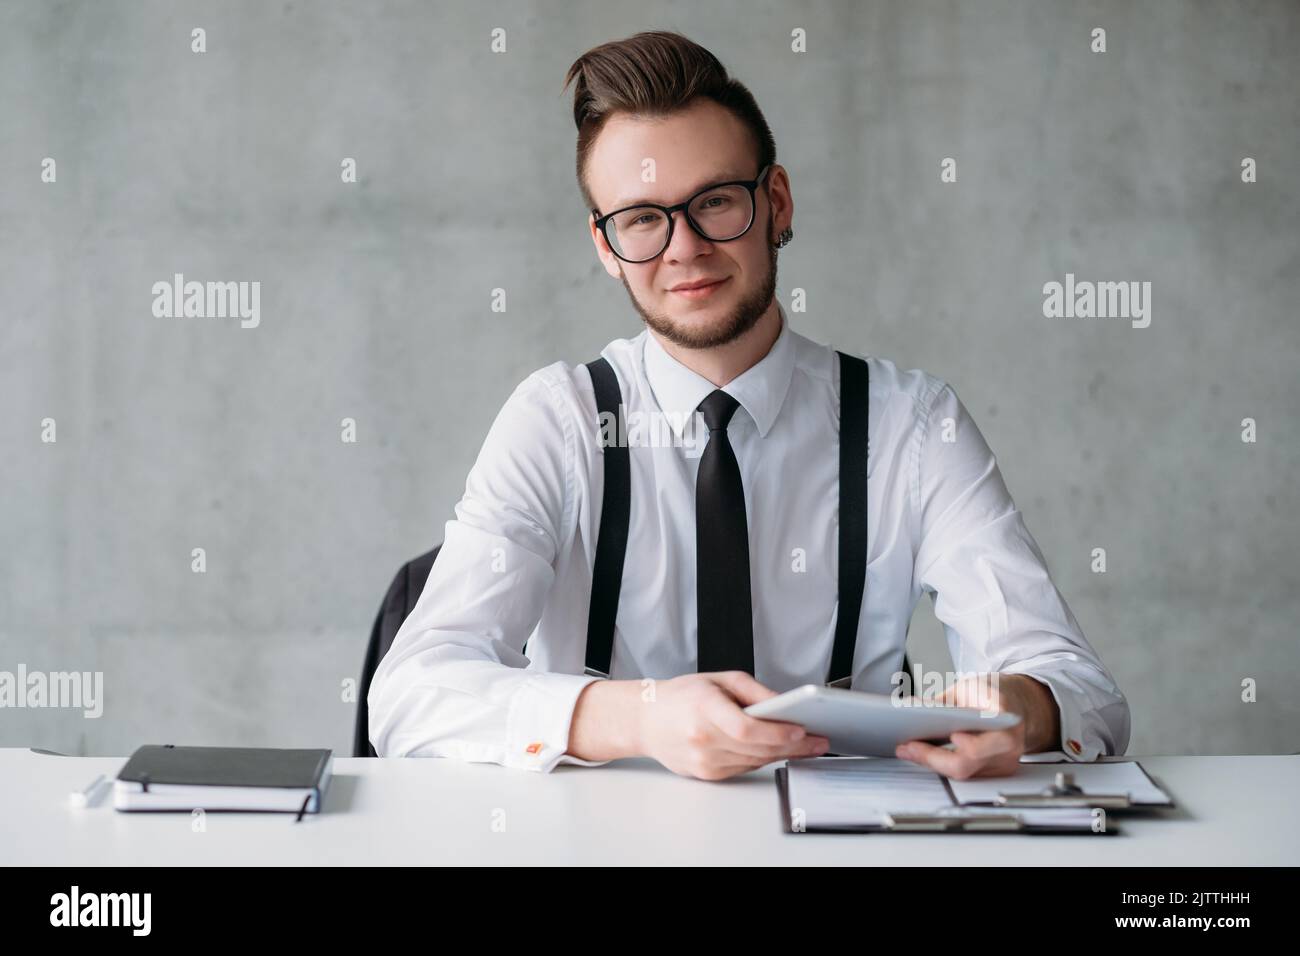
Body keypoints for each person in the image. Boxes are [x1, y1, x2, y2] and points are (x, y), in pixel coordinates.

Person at [368, 31, 1130, 781]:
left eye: (715, 202)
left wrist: (1023, 707)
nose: (684, 248)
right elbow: (411, 695)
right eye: (641, 219)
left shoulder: (912, 424)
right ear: (605, 246)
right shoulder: (559, 419)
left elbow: (1080, 688)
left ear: (776, 202)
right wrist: (641, 715)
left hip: (841, 845)